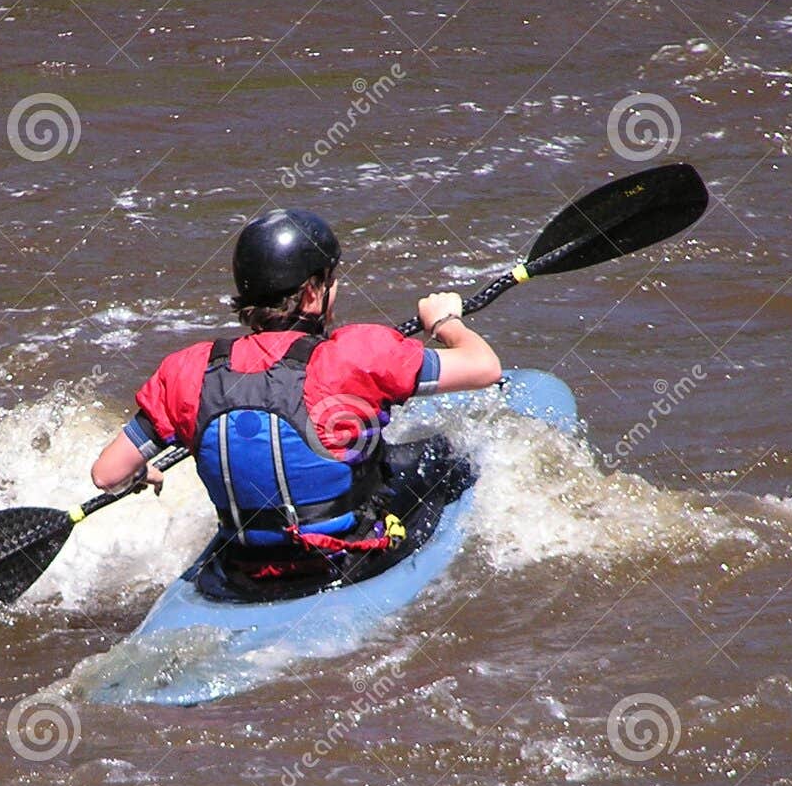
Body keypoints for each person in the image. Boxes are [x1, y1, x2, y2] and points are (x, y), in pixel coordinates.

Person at [90, 207, 503, 585]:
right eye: (331, 280)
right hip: (345, 558)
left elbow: (107, 475)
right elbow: (485, 367)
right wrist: (446, 322)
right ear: (311, 293)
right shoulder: (356, 354)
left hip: (243, 568)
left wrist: (140, 473)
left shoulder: (188, 370)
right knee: (449, 454)